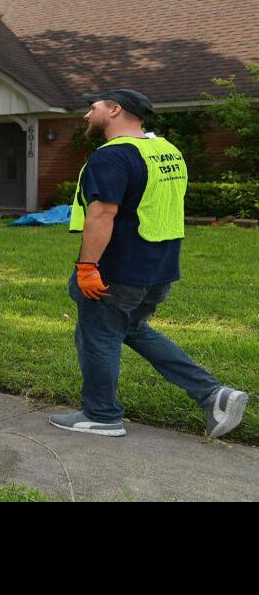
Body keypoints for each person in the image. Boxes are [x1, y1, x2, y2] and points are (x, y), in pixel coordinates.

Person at [52, 89, 249, 438]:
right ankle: (214, 394)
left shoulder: (111, 156)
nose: (87, 115)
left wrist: (87, 267)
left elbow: (102, 213)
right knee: (132, 329)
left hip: (117, 269)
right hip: (159, 268)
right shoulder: (168, 151)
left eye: (93, 108)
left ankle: (101, 415)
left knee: (98, 336)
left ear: (115, 110)